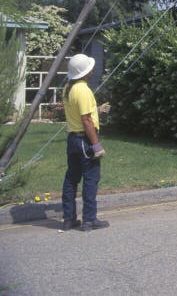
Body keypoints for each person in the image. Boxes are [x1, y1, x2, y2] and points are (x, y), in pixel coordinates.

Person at [61, 53, 110, 232]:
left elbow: (80, 112)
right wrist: (96, 145)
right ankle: (89, 220)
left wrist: (97, 109)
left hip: (72, 139)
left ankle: (68, 219)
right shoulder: (83, 90)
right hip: (84, 139)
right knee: (91, 178)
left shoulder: (68, 87)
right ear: (86, 72)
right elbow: (86, 120)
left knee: (71, 178)